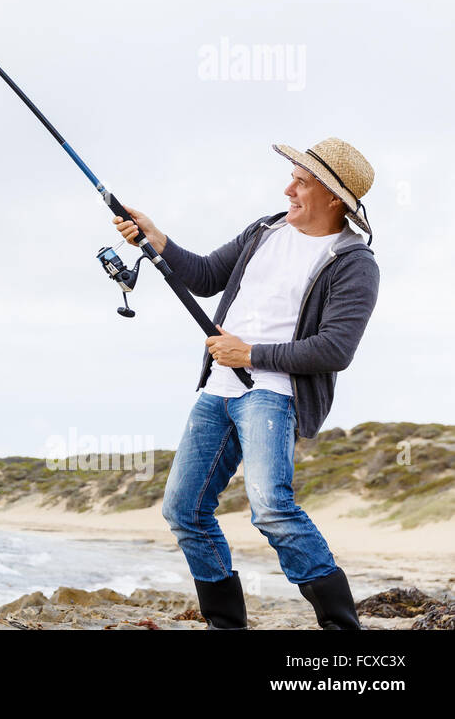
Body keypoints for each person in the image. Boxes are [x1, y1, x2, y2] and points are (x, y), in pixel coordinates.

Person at [113, 137, 379, 630]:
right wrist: (156, 237)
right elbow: (208, 275)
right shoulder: (264, 230)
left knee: (272, 508)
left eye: (301, 182)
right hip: (219, 390)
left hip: (274, 394)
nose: (288, 188)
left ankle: (343, 630)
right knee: (184, 510)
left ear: (334, 197)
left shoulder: (354, 263)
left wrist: (251, 354)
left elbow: (335, 349)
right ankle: (225, 625)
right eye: (292, 177)